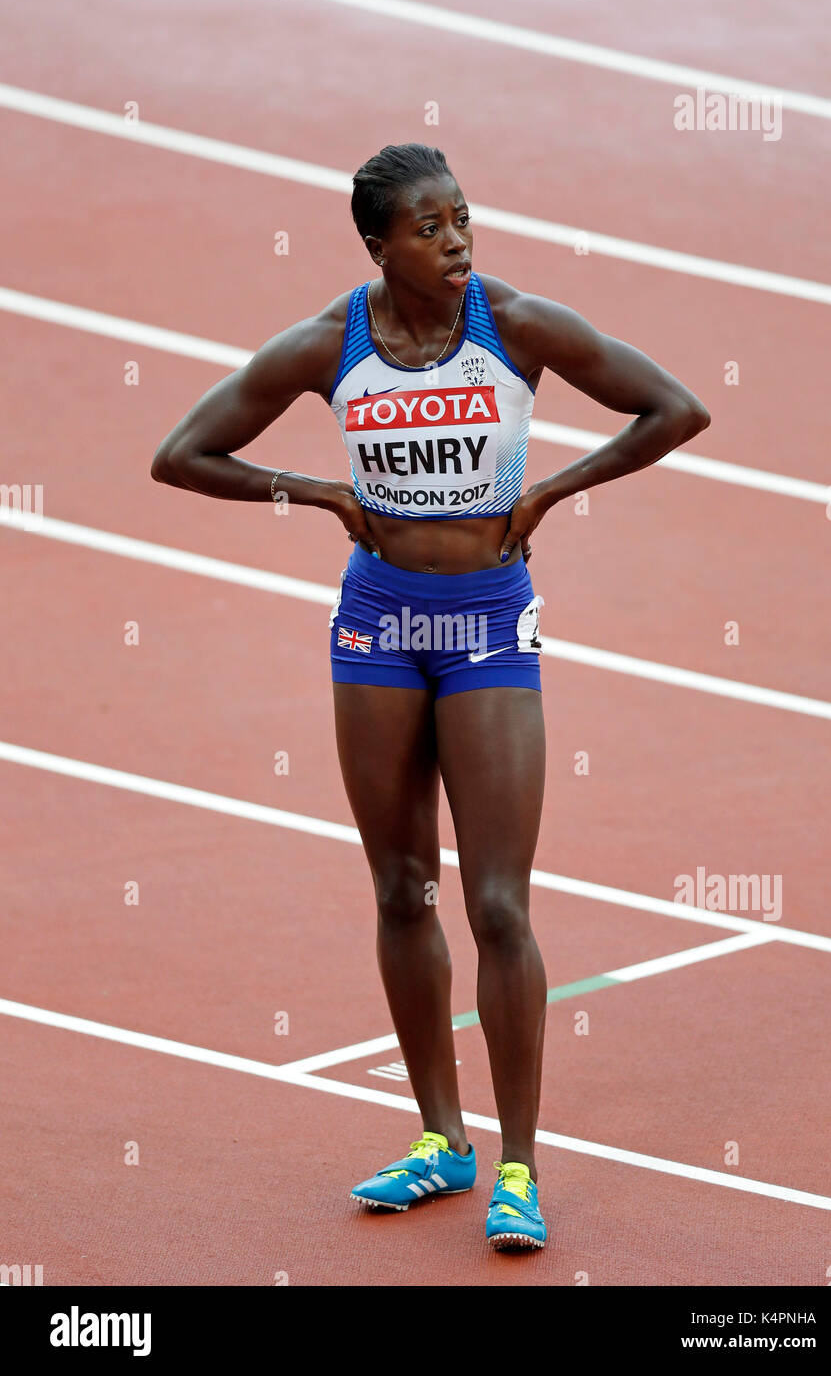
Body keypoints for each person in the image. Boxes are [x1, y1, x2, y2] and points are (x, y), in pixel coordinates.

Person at [151, 143, 710, 1251]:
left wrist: (550, 491)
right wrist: (316, 491)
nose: (455, 241)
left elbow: (673, 409)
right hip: (377, 626)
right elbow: (182, 454)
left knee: (497, 904)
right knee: (403, 888)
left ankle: (518, 1166)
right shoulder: (333, 344)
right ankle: (441, 1138)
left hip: (488, 625)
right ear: (378, 246)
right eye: (428, 227)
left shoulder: (517, 325)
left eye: (461, 218)